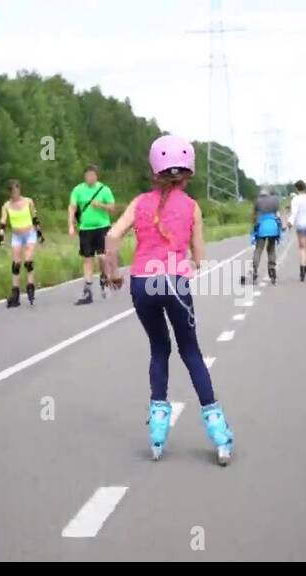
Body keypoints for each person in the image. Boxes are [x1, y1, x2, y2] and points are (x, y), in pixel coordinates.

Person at [102, 135, 235, 466]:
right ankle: (219, 434)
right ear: (188, 172)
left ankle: (158, 431)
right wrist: (189, 259)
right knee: (190, 352)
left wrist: (113, 272)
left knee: (159, 349)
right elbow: (200, 257)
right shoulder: (191, 206)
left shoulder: (139, 203)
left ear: (154, 169)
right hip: (174, 283)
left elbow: (112, 237)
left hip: (142, 283)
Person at [68, 164, 116, 305]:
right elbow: (72, 208)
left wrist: (101, 205)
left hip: (102, 227)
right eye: (88, 175)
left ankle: (104, 278)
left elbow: (113, 208)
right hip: (85, 228)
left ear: (96, 176)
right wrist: (71, 225)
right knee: (87, 259)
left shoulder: (104, 189)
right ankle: (87, 290)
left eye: (93, 175)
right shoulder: (78, 190)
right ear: (85, 176)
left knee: (102, 257)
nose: (90, 178)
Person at [0, 179, 40, 307]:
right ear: (9, 192)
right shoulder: (6, 206)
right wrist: (1, 234)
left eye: (16, 190)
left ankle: (30, 286)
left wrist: (39, 232)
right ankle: (15, 294)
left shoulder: (28, 201)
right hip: (16, 235)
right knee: (16, 264)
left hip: (29, 234)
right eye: (12, 191)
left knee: (28, 260)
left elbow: (34, 217)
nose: (14, 194)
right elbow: (3, 221)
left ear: (19, 190)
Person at [246, 187, 284, 285]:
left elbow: (254, 216)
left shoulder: (257, 202)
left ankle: (255, 270)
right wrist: (280, 227)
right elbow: (278, 215)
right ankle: (272, 269)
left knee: (258, 249)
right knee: (271, 249)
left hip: (262, 226)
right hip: (273, 226)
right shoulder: (275, 201)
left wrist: (254, 228)